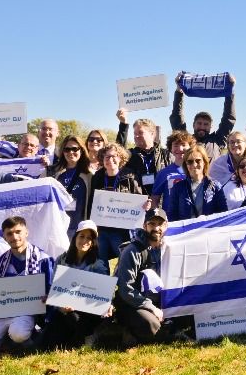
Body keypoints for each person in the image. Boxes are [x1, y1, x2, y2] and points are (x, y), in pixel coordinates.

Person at [0, 216, 55, 354]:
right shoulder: (0, 262)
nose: (15, 237)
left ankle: (29, 340)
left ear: (26, 232)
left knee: (19, 333)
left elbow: (51, 289)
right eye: (9, 233)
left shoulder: (43, 259)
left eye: (18, 231)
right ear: (4, 237)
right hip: (2, 313)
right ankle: (6, 339)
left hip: (27, 312)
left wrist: (48, 298)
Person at [114, 209, 181, 346]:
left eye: (160, 224)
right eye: (152, 224)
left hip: (161, 301)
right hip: (134, 303)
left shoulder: (170, 249)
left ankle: (168, 330)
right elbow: (126, 289)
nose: (156, 228)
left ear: (166, 226)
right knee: (150, 324)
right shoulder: (132, 251)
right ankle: (126, 330)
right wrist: (151, 307)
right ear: (145, 226)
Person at [44, 220, 113, 349]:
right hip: (65, 309)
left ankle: (90, 335)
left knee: (75, 327)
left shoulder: (100, 264)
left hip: (88, 312)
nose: (85, 241)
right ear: (75, 237)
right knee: (49, 343)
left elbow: (103, 293)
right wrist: (60, 306)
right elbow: (55, 288)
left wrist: (107, 304)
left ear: (93, 243)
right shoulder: (62, 260)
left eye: (89, 238)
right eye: (82, 236)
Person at [89, 143, 149, 261]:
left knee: (123, 262)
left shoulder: (130, 176)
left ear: (120, 158)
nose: (110, 160)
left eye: (114, 156)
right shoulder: (97, 177)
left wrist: (146, 205)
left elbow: (139, 199)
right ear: (102, 159)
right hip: (102, 230)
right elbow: (92, 202)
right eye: (107, 157)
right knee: (101, 263)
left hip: (122, 231)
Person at [169, 73, 238, 160]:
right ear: (193, 125)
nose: (202, 127)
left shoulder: (218, 140)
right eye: (199, 123)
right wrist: (179, 92)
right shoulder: (186, 140)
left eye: (206, 124)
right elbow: (176, 118)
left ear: (211, 126)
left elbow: (228, 119)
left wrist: (230, 91)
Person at [51, 137, 93, 237]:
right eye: (67, 149)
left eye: (75, 149)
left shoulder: (90, 175)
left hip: (79, 228)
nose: (71, 152)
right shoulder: (52, 172)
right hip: (57, 227)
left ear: (81, 151)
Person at [149, 132, 198, 209]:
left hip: (193, 218)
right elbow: (155, 198)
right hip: (171, 219)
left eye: (183, 145)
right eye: (176, 145)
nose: (180, 148)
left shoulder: (197, 171)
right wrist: (157, 217)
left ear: (190, 147)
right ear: (170, 148)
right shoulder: (163, 173)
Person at [162, 148, 209, 223]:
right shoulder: (177, 187)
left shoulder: (215, 187)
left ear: (204, 162)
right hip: (187, 233)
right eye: (190, 162)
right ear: (185, 165)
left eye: (198, 161)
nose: (194, 164)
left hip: (208, 232)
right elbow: (172, 216)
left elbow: (222, 215)